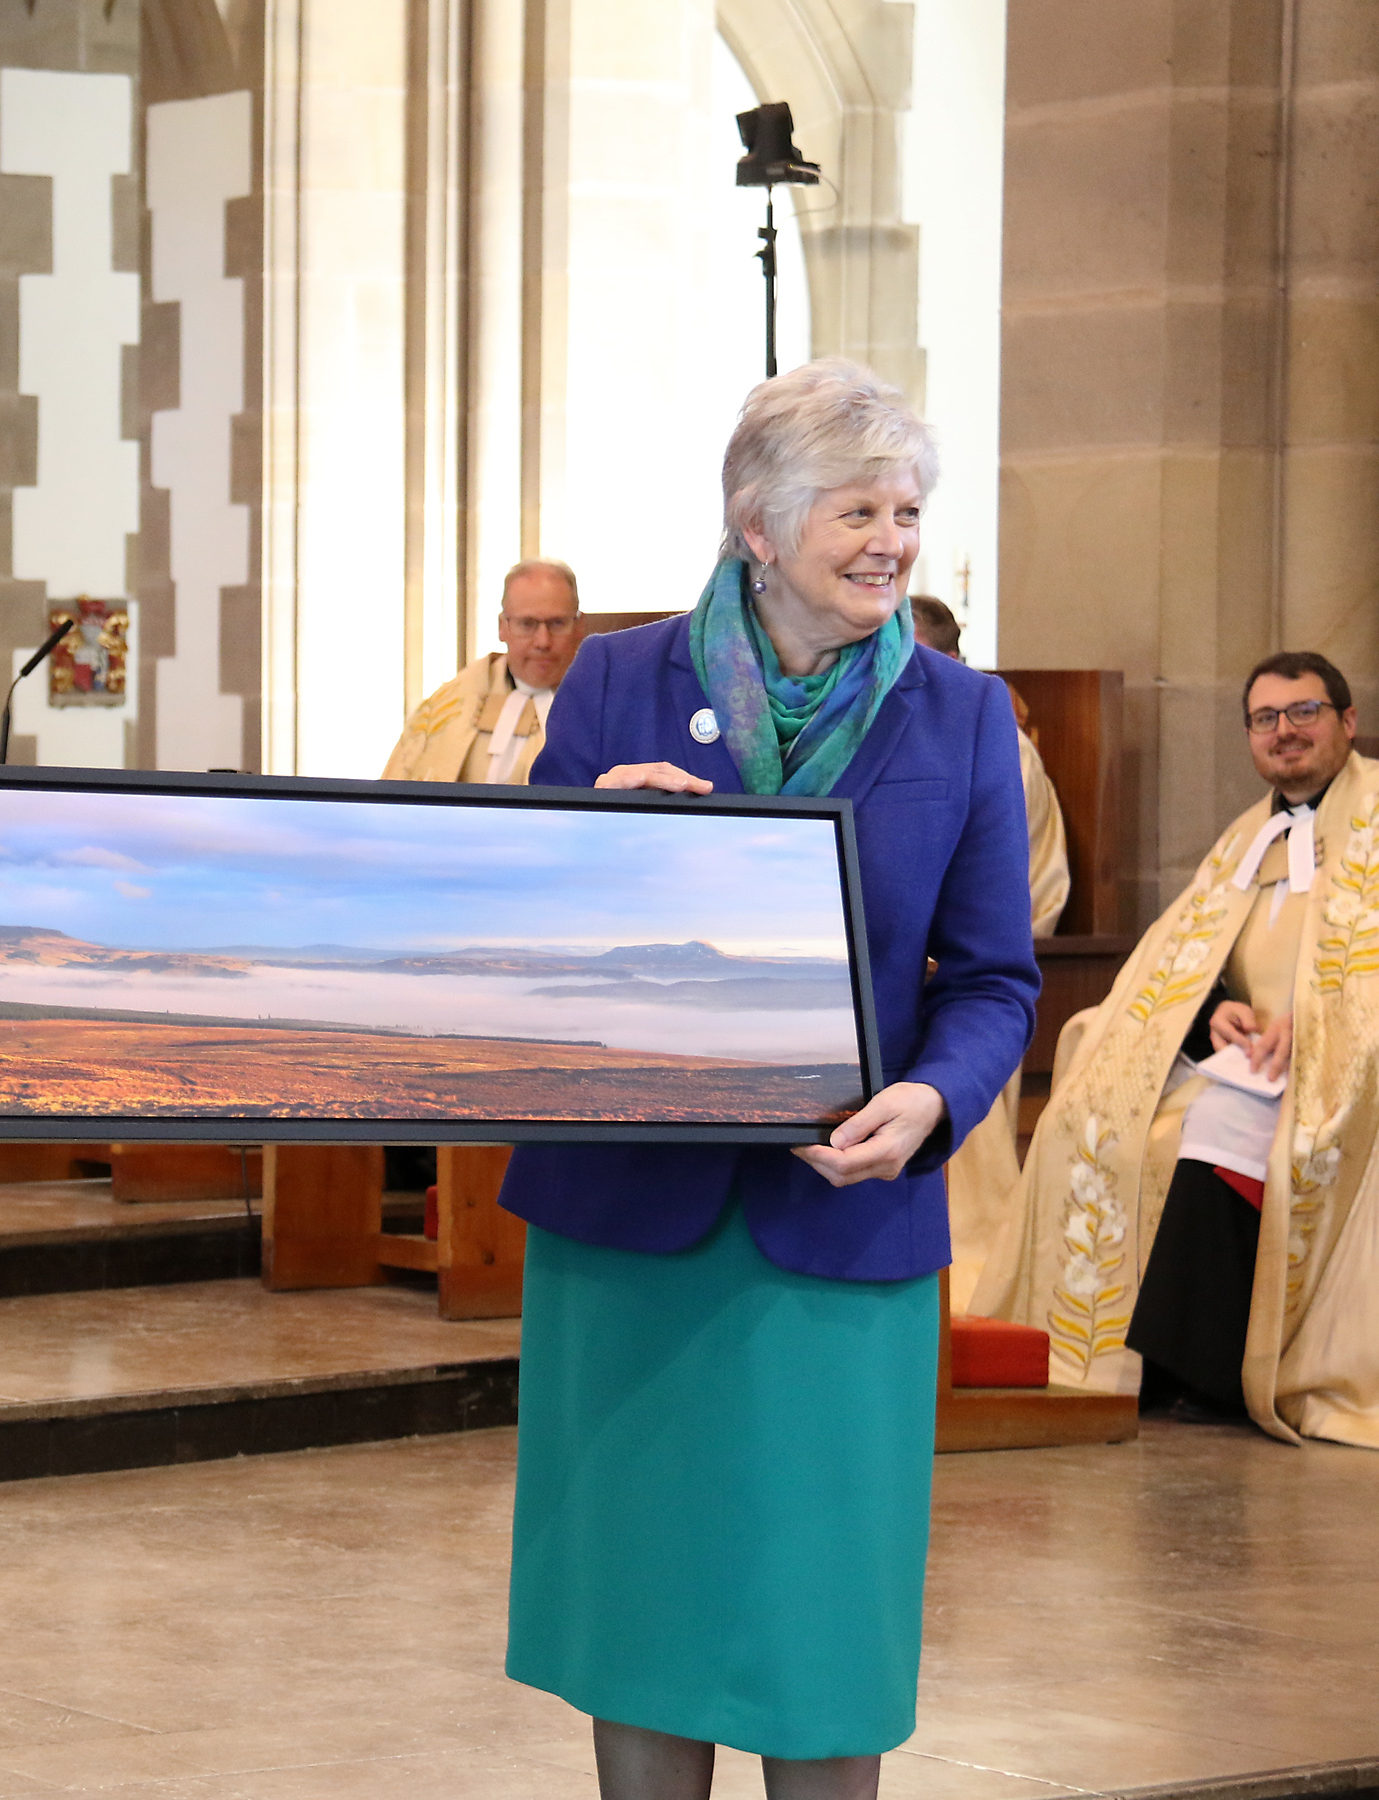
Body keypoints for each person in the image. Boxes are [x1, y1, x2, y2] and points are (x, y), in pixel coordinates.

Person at [498, 361, 1038, 1799]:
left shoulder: (962, 714)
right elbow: (521, 925)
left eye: (906, 512)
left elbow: (995, 980)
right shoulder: (618, 681)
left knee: (824, 1611)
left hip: (843, 1225)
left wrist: (933, 1103)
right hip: (634, 1227)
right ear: (758, 525)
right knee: (641, 1600)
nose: (891, 542)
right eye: (857, 511)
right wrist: (589, 831)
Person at [973, 652, 1376, 1447]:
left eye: (1304, 712)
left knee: (1218, 1126)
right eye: (1265, 719)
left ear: (1347, 721)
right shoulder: (1246, 837)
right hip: (1252, 1058)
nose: (1285, 732)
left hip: (1345, 1064)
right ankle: (1134, 1359)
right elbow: (1187, 955)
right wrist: (1216, 1011)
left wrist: (1324, 1023)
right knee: (1093, 1119)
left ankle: (1207, 1372)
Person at [910, 597, 1069, 1287]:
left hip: (961, 984)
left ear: (952, 663)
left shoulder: (998, 744)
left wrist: (941, 961)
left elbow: (1026, 889)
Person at [382, 560, 583, 784]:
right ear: (502, 627)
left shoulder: (599, 704)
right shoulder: (450, 706)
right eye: (527, 624)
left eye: (557, 623)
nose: (542, 641)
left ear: (579, 626)